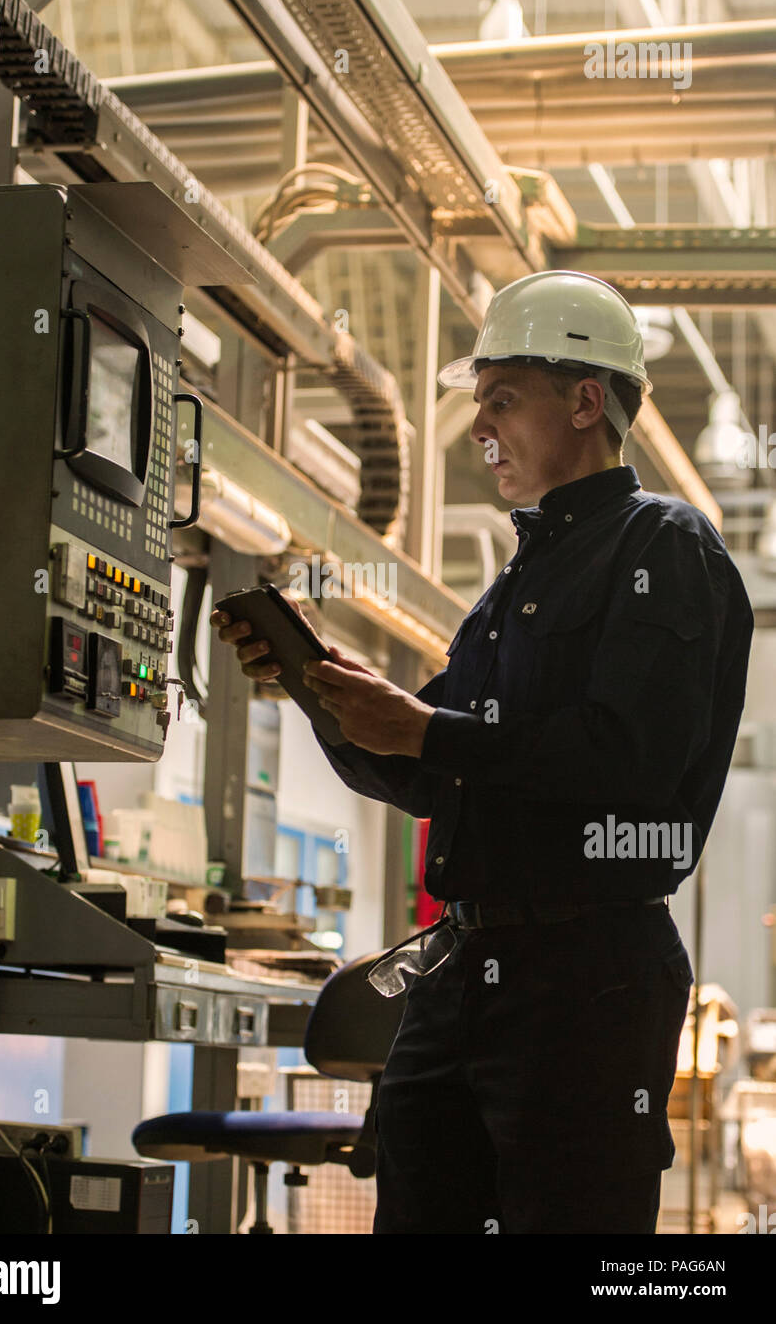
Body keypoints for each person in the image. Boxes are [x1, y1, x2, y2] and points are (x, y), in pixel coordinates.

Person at [210, 270, 754, 1234]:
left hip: (588, 975)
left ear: (585, 400)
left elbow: (631, 764)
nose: (478, 428)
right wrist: (324, 697)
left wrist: (423, 729)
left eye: (500, 398)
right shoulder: (510, 589)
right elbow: (427, 774)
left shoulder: (665, 549)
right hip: (466, 970)